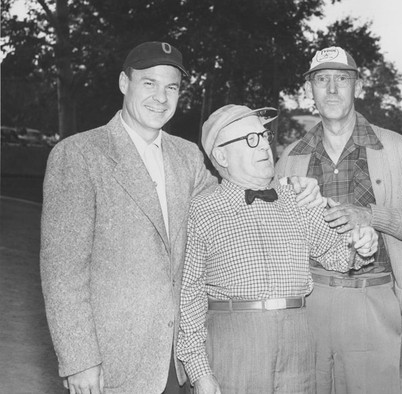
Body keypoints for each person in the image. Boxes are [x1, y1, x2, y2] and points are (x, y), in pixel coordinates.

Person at [40, 41, 326, 394]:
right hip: (111, 360)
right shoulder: (79, 155)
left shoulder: (187, 156)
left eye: (171, 87)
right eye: (149, 83)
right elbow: (62, 271)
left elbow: (233, 198)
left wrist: (291, 187)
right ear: (123, 83)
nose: (160, 97)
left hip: (175, 363)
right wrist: (79, 358)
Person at [275, 46, 402, 394]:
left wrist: (371, 215)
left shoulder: (394, 147)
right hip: (307, 304)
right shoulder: (290, 158)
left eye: (342, 78)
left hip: (372, 301)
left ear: (357, 85)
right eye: (322, 79)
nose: (333, 89)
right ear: (310, 88)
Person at [176, 104, 379, 394]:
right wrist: (199, 372)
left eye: (263, 136)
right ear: (221, 156)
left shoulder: (296, 199)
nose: (263, 146)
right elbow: (189, 296)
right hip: (235, 340)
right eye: (250, 139)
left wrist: (360, 246)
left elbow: (336, 253)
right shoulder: (202, 210)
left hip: (298, 338)